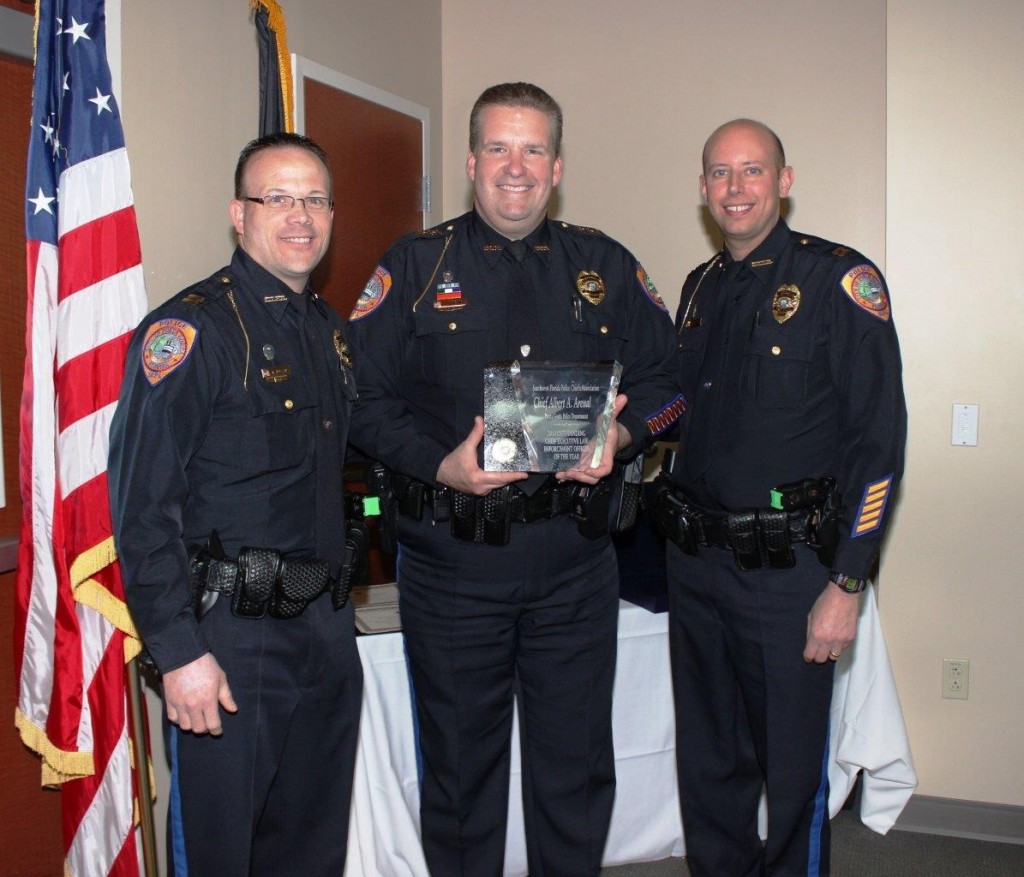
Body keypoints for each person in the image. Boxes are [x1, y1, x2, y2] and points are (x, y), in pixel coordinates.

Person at [345, 82, 686, 876]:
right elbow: (357, 399)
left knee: (575, 773)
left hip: (575, 566)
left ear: (558, 166)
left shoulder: (605, 263)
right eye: (498, 147)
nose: (515, 167)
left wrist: (626, 435)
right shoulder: (415, 266)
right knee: (462, 781)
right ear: (470, 162)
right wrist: (440, 465)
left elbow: (675, 386)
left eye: (533, 149)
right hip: (454, 568)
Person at [654, 118, 907, 876]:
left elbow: (879, 445)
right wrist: (609, 427)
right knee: (709, 767)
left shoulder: (840, 281)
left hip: (789, 572)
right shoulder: (700, 288)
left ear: (784, 180)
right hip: (696, 565)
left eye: (752, 171)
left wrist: (848, 581)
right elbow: (676, 407)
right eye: (720, 174)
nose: (736, 188)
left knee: (792, 773)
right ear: (703, 188)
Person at [108, 132, 362, 876]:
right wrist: (180, 653)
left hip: (324, 633)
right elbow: (142, 508)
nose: (300, 216)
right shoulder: (193, 332)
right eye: (276, 197)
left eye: (315, 198)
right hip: (229, 644)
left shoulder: (330, 334)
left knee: (312, 850)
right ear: (238, 214)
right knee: (224, 857)